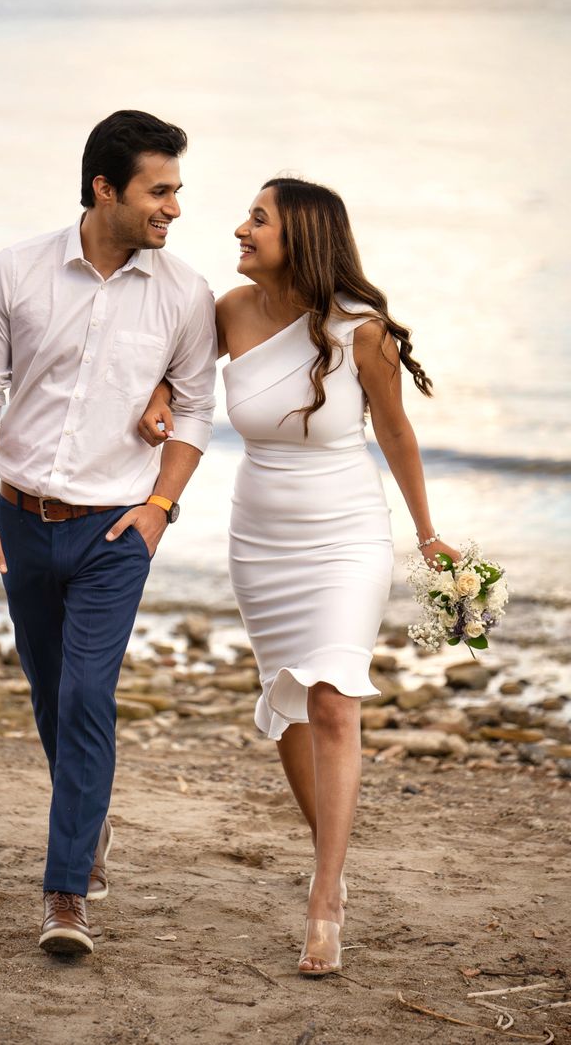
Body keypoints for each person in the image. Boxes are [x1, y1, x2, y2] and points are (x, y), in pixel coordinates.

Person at [138, 177, 458, 977]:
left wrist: (427, 535)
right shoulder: (228, 311)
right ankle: (336, 862)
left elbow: (396, 433)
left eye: (258, 219)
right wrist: (153, 398)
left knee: (333, 697)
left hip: (348, 531)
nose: (239, 229)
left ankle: (323, 895)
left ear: (301, 237)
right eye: (248, 216)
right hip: (262, 536)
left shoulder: (361, 331)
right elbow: (177, 370)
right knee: (288, 704)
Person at [0, 110, 217, 957]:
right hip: (20, 520)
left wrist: (160, 507)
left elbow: (198, 402)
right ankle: (89, 818)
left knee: (86, 695)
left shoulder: (185, 294)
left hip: (116, 533)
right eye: (159, 189)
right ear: (105, 188)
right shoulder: (17, 271)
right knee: (48, 695)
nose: (174, 207)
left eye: (177, 189)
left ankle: (66, 892)